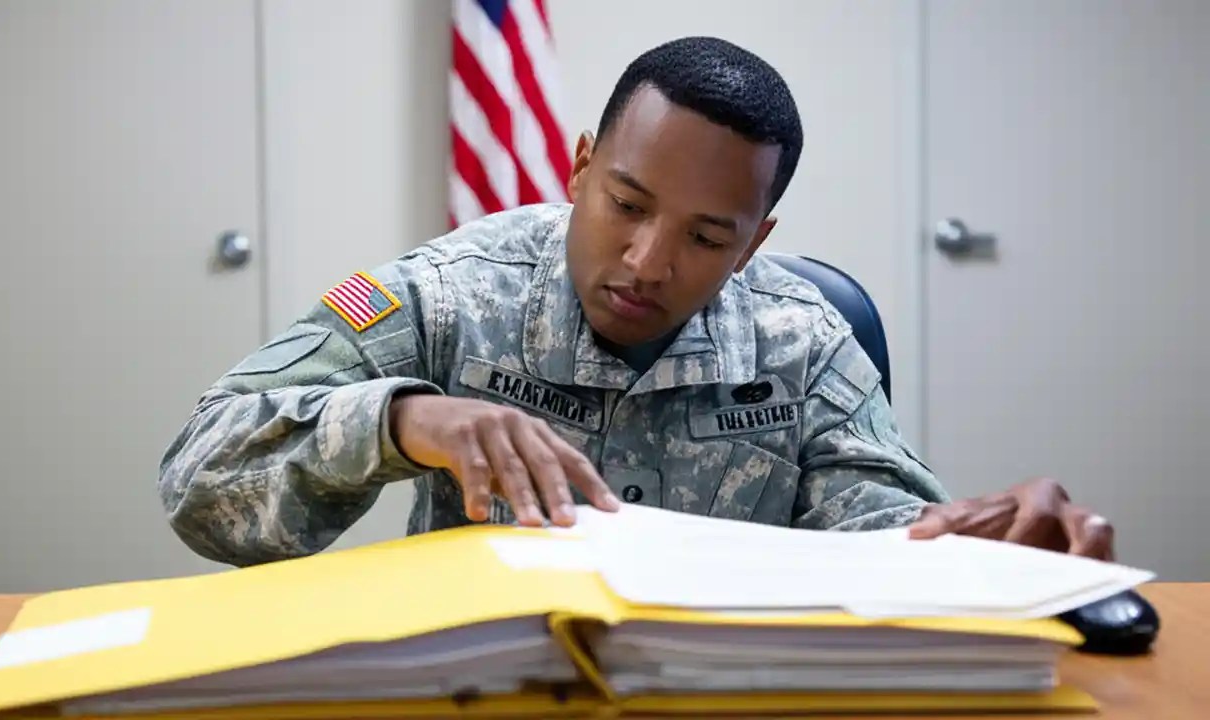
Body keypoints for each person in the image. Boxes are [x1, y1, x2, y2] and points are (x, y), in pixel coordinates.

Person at [158, 36, 1115, 568]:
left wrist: (982, 544)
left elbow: (877, 531)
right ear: (580, 168)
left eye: (706, 238)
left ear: (754, 244)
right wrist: (403, 421)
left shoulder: (803, 339)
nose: (647, 262)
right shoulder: (453, 294)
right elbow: (198, 478)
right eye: (626, 204)